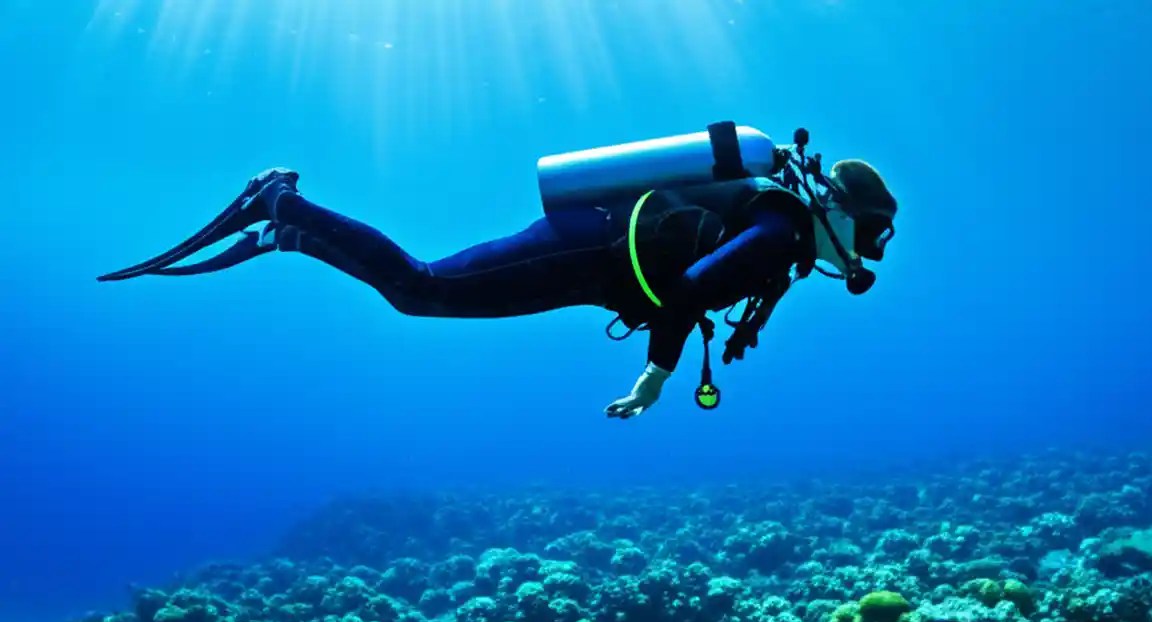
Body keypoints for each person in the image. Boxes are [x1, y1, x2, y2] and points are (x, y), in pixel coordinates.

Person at [98, 122, 899, 419]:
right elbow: (690, 291)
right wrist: (655, 380)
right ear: (838, 211)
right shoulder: (780, 230)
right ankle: (284, 207)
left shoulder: (781, 231)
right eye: (873, 235)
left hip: (595, 254)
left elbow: (692, 289)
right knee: (423, 289)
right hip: (591, 250)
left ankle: (293, 235)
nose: (868, 255)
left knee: (422, 294)